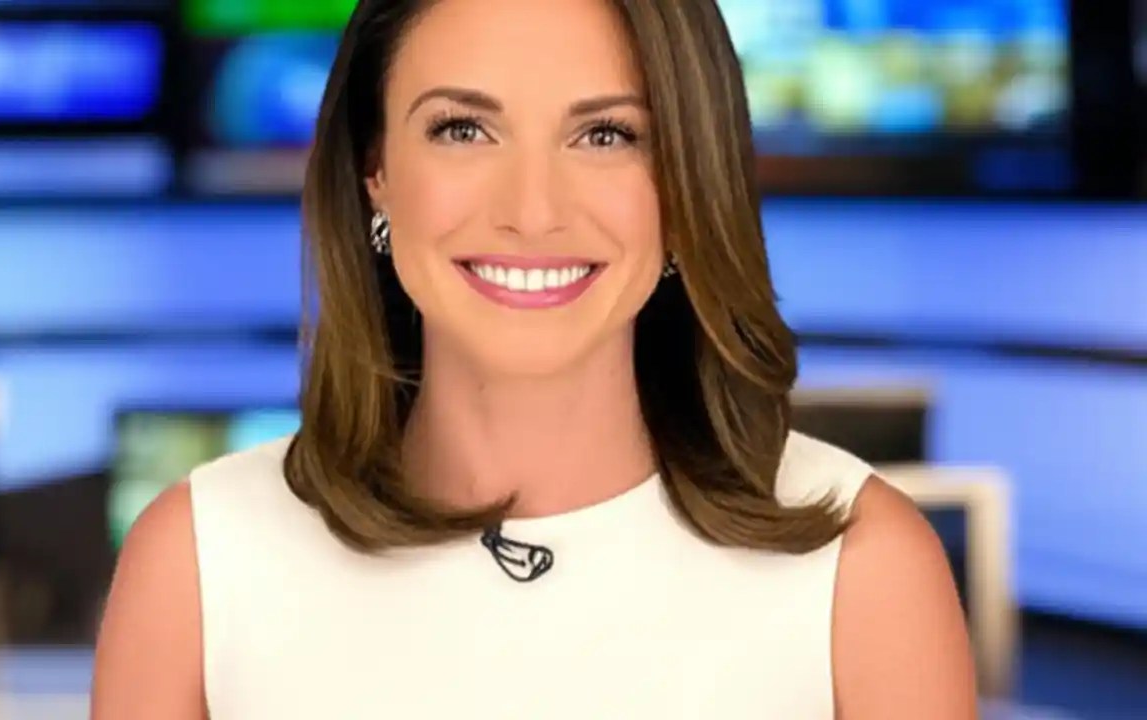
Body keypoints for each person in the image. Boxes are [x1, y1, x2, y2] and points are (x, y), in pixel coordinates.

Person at [92, 0, 976, 717]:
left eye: (605, 136)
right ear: (376, 173)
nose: (533, 209)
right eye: (463, 130)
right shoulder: (198, 563)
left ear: (685, 186)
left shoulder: (865, 573)